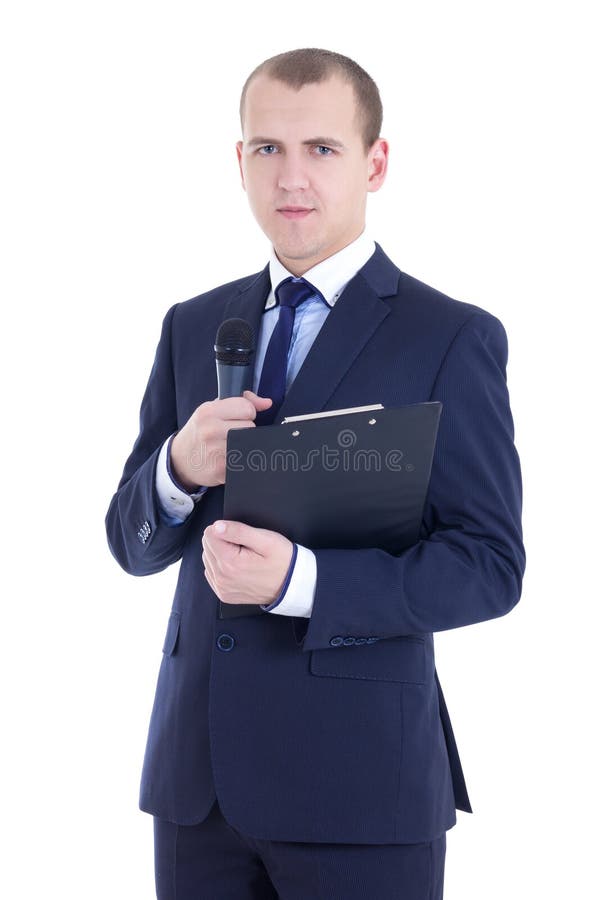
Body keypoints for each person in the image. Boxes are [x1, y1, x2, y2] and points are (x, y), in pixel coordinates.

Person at [105, 47, 525, 900]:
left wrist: (305, 581)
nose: (291, 177)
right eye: (268, 149)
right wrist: (178, 470)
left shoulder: (449, 338)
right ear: (240, 162)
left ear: (375, 163)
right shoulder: (194, 324)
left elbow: (489, 566)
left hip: (361, 786)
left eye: (322, 150)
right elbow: (130, 542)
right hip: (199, 789)